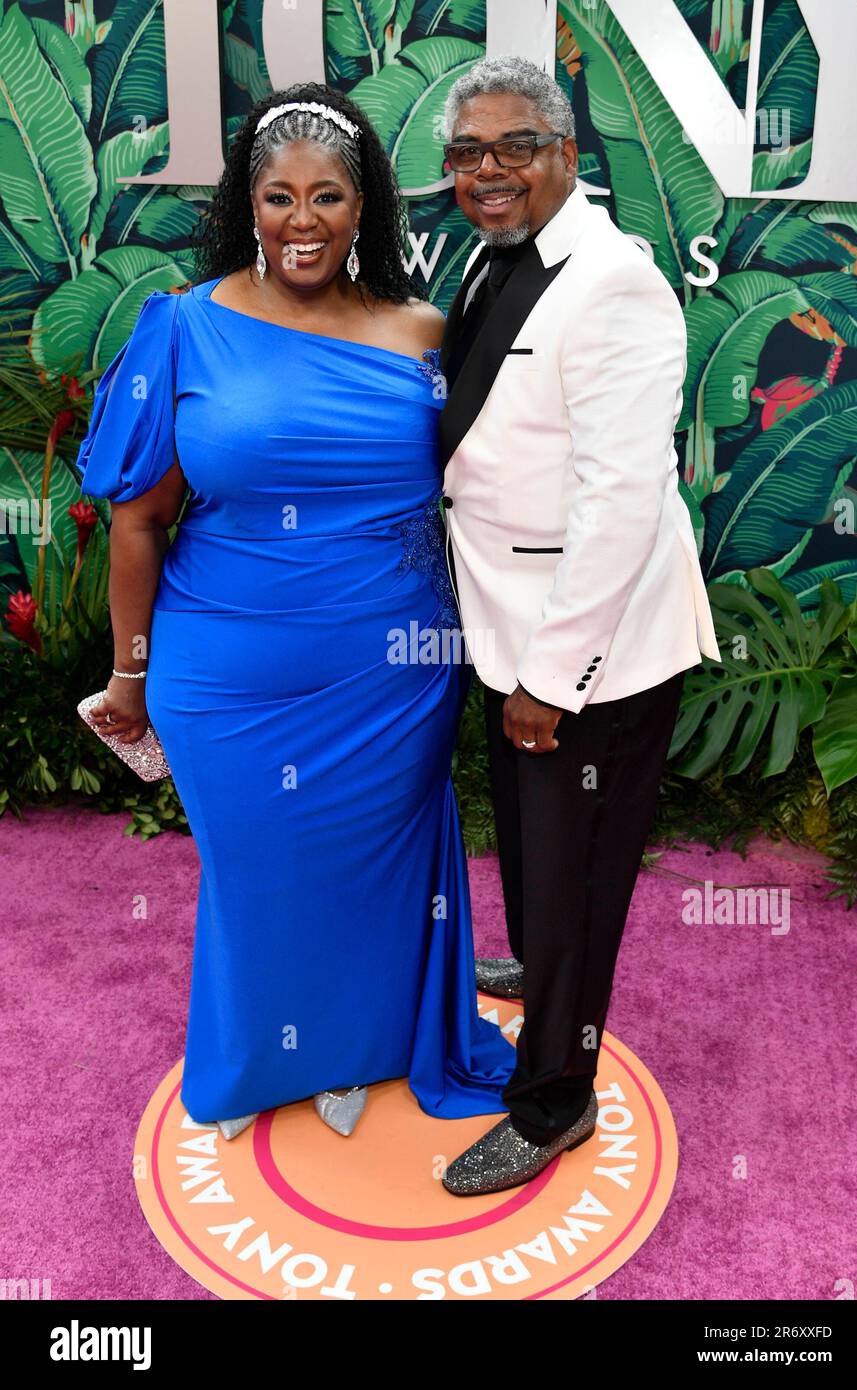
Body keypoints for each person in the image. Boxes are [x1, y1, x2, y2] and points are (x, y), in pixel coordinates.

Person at [74, 83, 516, 1143]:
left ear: (364, 207)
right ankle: (268, 1051)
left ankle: (358, 1047)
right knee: (262, 870)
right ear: (249, 203)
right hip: (227, 674)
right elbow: (137, 527)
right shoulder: (184, 328)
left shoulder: (426, 332)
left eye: (326, 196)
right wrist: (130, 679)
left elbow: (491, 491)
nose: (302, 220)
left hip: (392, 672)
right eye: (279, 197)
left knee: (366, 866)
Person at [435, 57, 721, 1196]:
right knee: (540, 861)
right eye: (467, 154)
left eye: (514, 147)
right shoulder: (495, 253)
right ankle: (543, 972)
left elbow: (620, 504)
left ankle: (554, 1099)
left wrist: (553, 678)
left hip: (590, 660)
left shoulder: (615, 283)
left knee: (578, 886)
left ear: (566, 153)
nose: (488, 171)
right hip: (510, 629)